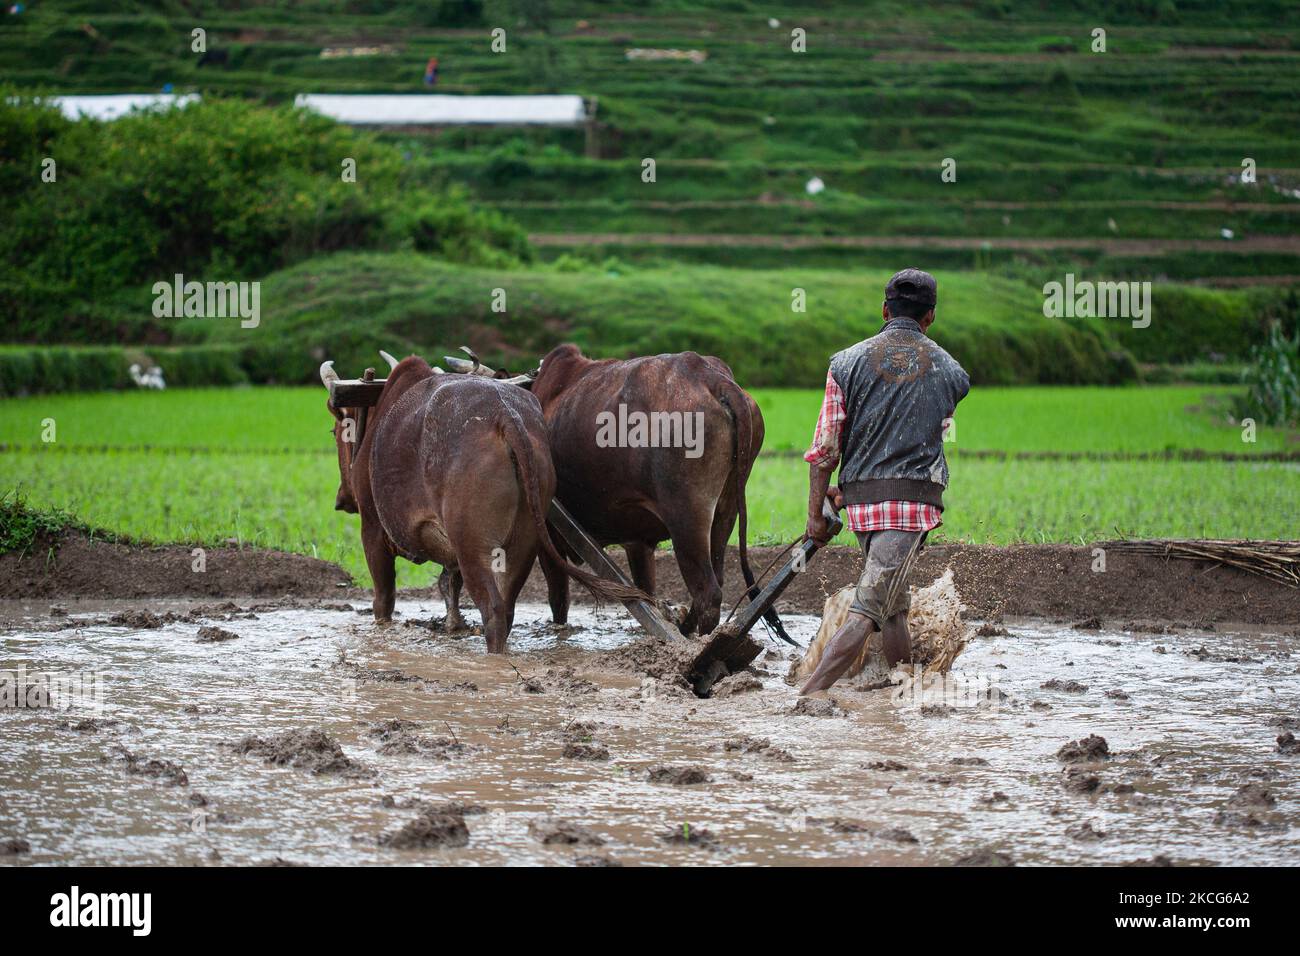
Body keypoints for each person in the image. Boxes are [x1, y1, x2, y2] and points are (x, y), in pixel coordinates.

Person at [799, 268, 970, 694]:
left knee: (889, 607)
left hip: (862, 505)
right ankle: (808, 697)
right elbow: (922, 431)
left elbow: (825, 450)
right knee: (873, 610)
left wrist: (816, 511)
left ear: (884, 309)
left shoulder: (845, 363)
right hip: (911, 505)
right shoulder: (952, 372)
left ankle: (900, 686)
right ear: (930, 316)